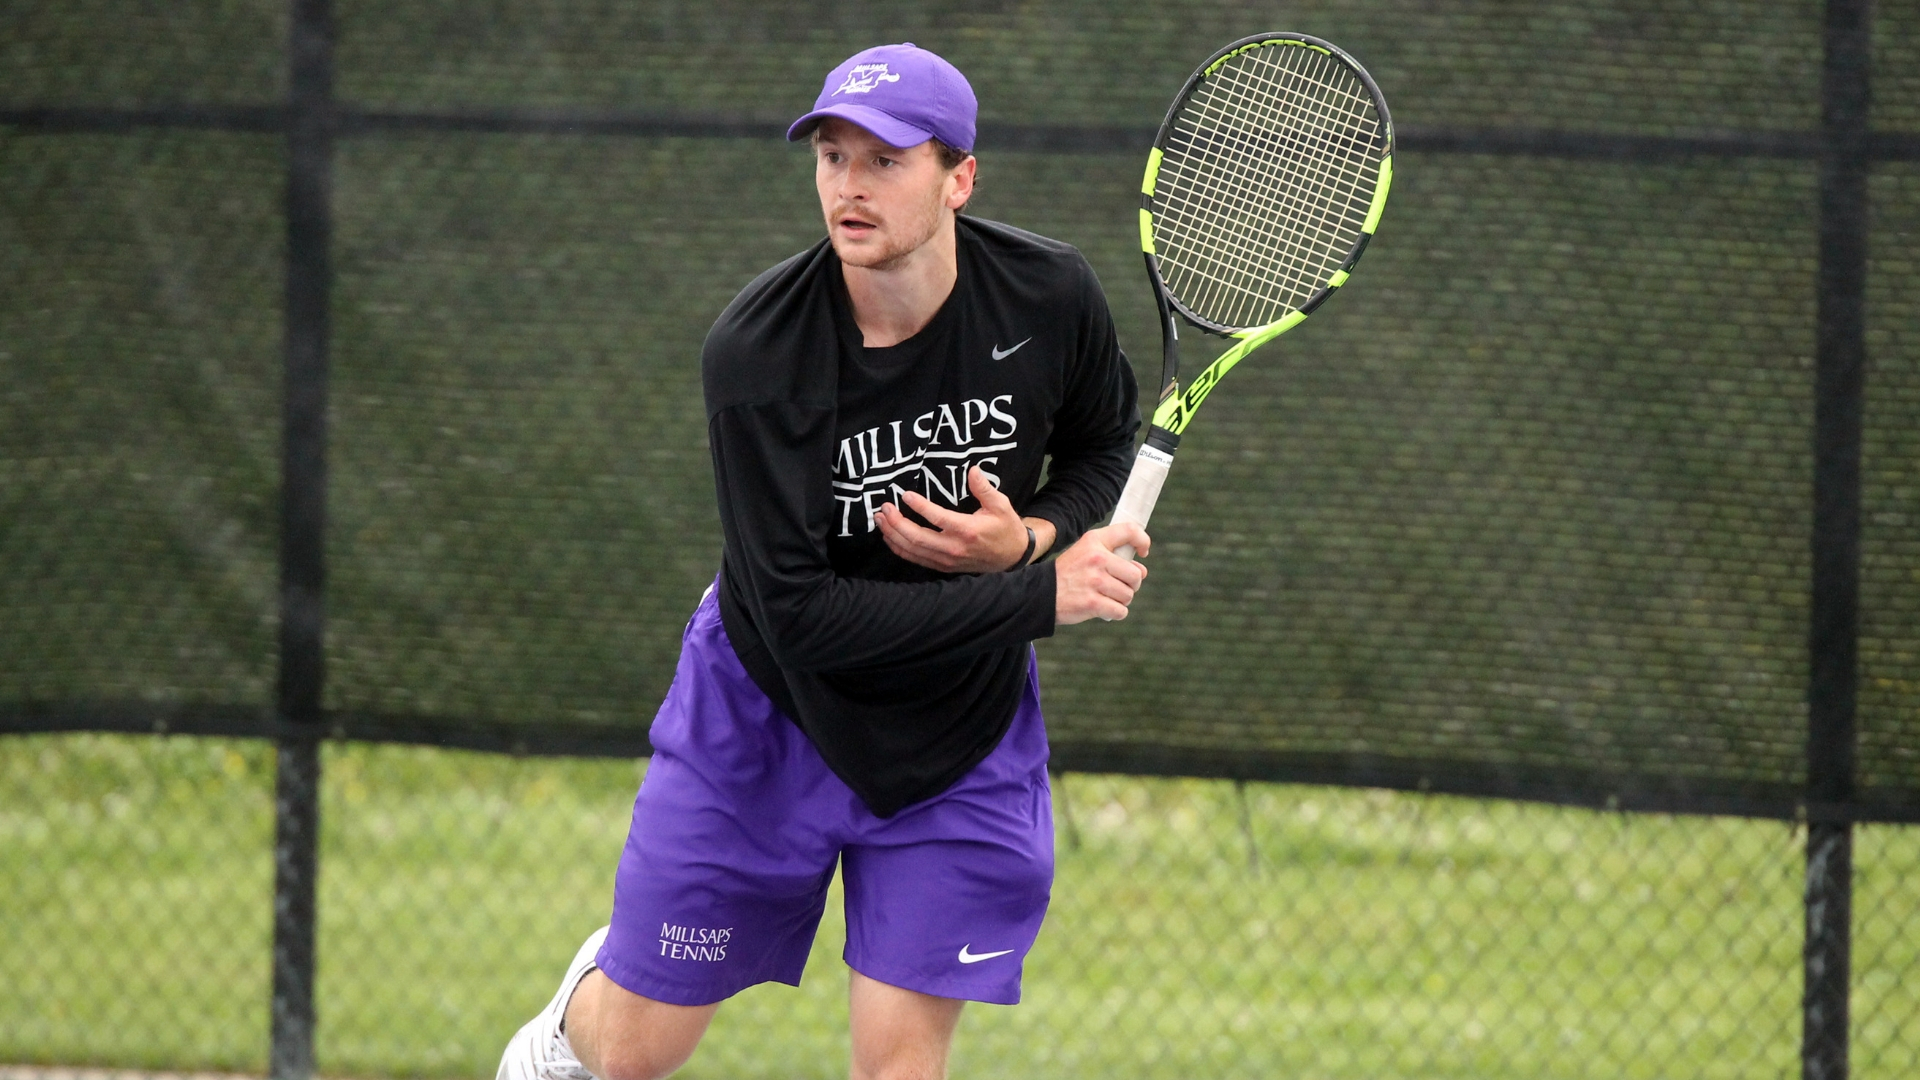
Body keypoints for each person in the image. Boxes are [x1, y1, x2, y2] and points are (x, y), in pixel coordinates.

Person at [498, 42, 1150, 1080]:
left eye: (885, 160)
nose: (850, 185)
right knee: (633, 1055)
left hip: (954, 733)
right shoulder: (758, 352)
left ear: (960, 177)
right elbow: (801, 617)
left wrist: (1026, 539)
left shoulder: (1047, 295)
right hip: (768, 709)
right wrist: (1033, 594)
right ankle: (570, 1025)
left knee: (899, 1066)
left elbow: (1103, 444)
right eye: (832, 157)